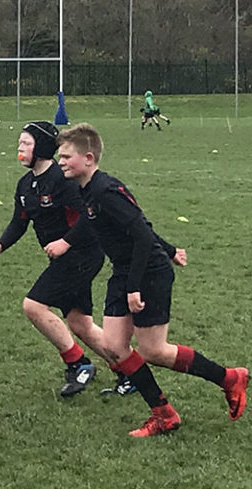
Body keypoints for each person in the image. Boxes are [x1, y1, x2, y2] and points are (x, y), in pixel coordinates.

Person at [56, 122, 248, 437]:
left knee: (154, 351)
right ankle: (164, 414)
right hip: (124, 271)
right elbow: (140, 224)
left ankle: (230, 378)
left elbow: (142, 236)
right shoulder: (86, 189)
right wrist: (171, 249)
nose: (62, 161)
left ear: (88, 158)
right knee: (115, 346)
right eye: (60, 156)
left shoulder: (105, 190)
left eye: (67, 156)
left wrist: (135, 285)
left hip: (148, 273)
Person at [0, 121, 134, 397]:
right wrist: (0, 244)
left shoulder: (63, 180)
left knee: (34, 306)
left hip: (83, 254)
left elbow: (89, 215)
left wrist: (65, 242)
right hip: (65, 258)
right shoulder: (26, 185)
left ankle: (78, 364)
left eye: (25, 143)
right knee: (79, 323)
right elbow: (20, 221)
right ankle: (130, 372)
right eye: (19, 143)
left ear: (41, 147)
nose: (20, 148)